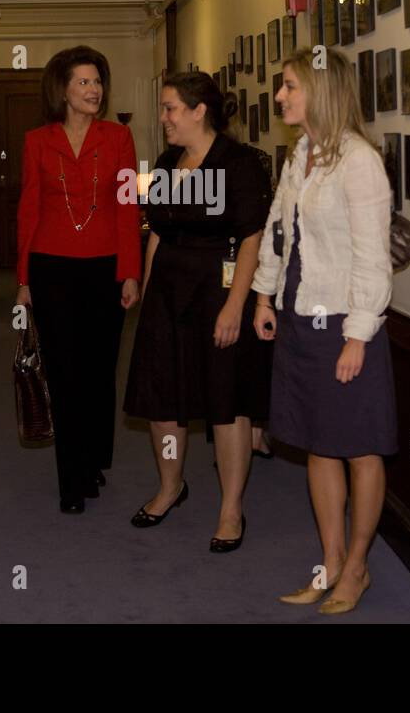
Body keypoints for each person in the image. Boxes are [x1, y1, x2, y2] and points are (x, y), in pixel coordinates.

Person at [252, 47, 396, 615]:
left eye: (289, 86)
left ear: (320, 90)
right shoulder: (302, 154)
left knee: (359, 448)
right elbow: (276, 231)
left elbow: (372, 257)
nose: (281, 96)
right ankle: (330, 562)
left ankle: (357, 567)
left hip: (344, 325)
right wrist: (264, 294)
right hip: (299, 319)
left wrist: (358, 335)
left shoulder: (358, 160)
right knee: (318, 444)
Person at [124, 73, 272, 551]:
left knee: (225, 402)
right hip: (168, 292)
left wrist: (235, 306)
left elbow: (252, 238)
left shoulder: (240, 163)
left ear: (198, 111)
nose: (163, 118)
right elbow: (159, 233)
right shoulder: (168, 163)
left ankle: (232, 508)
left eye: (170, 108)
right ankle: (171, 487)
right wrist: (148, 295)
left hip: (218, 291)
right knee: (163, 399)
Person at [16, 46, 141, 514]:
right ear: (63, 90)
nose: (94, 90)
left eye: (98, 81)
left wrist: (131, 271)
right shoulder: (36, 141)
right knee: (65, 372)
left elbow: (129, 206)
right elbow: (28, 209)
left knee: (98, 369)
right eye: (84, 82)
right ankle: (72, 479)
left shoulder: (119, 138)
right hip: (52, 267)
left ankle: (93, 458)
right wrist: (25, 278)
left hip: (105, 266)